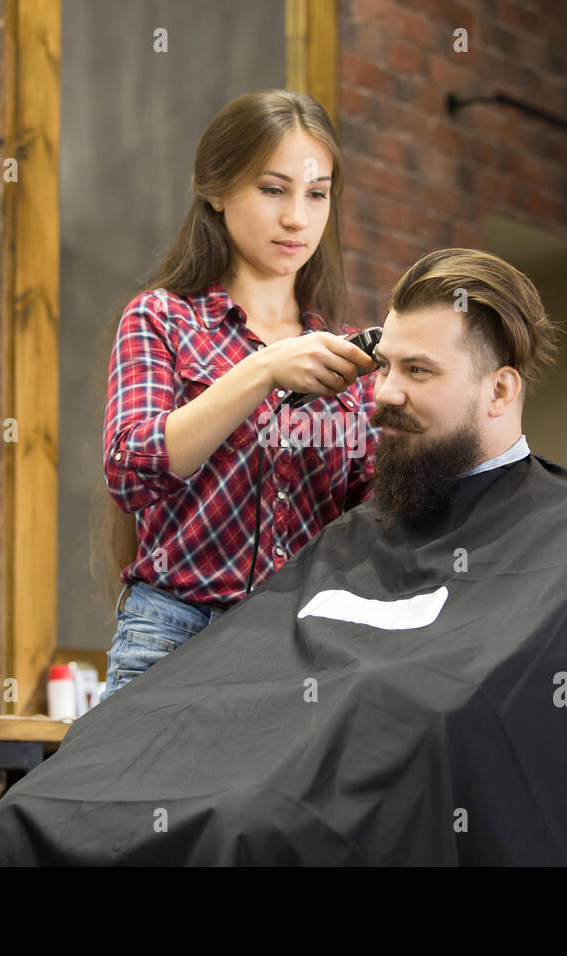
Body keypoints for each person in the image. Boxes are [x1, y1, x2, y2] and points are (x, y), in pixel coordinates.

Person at [0, 249, 567, 865]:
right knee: (30, 813)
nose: (381, 394)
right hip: (227, 786)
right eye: (384, 365)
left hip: (281, 814)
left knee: (246, 829)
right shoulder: (360, 534)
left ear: (501, 389)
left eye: (417, 372)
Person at [98, 90, 379, 702]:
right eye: (273, 189)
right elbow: (130, 471)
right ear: (217, 190)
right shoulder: (162, 320)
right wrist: (264, 370)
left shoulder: (351, 357)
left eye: (317, 193)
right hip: (172, 637)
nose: (297, 219)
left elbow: (375, 518)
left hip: (302, 647)